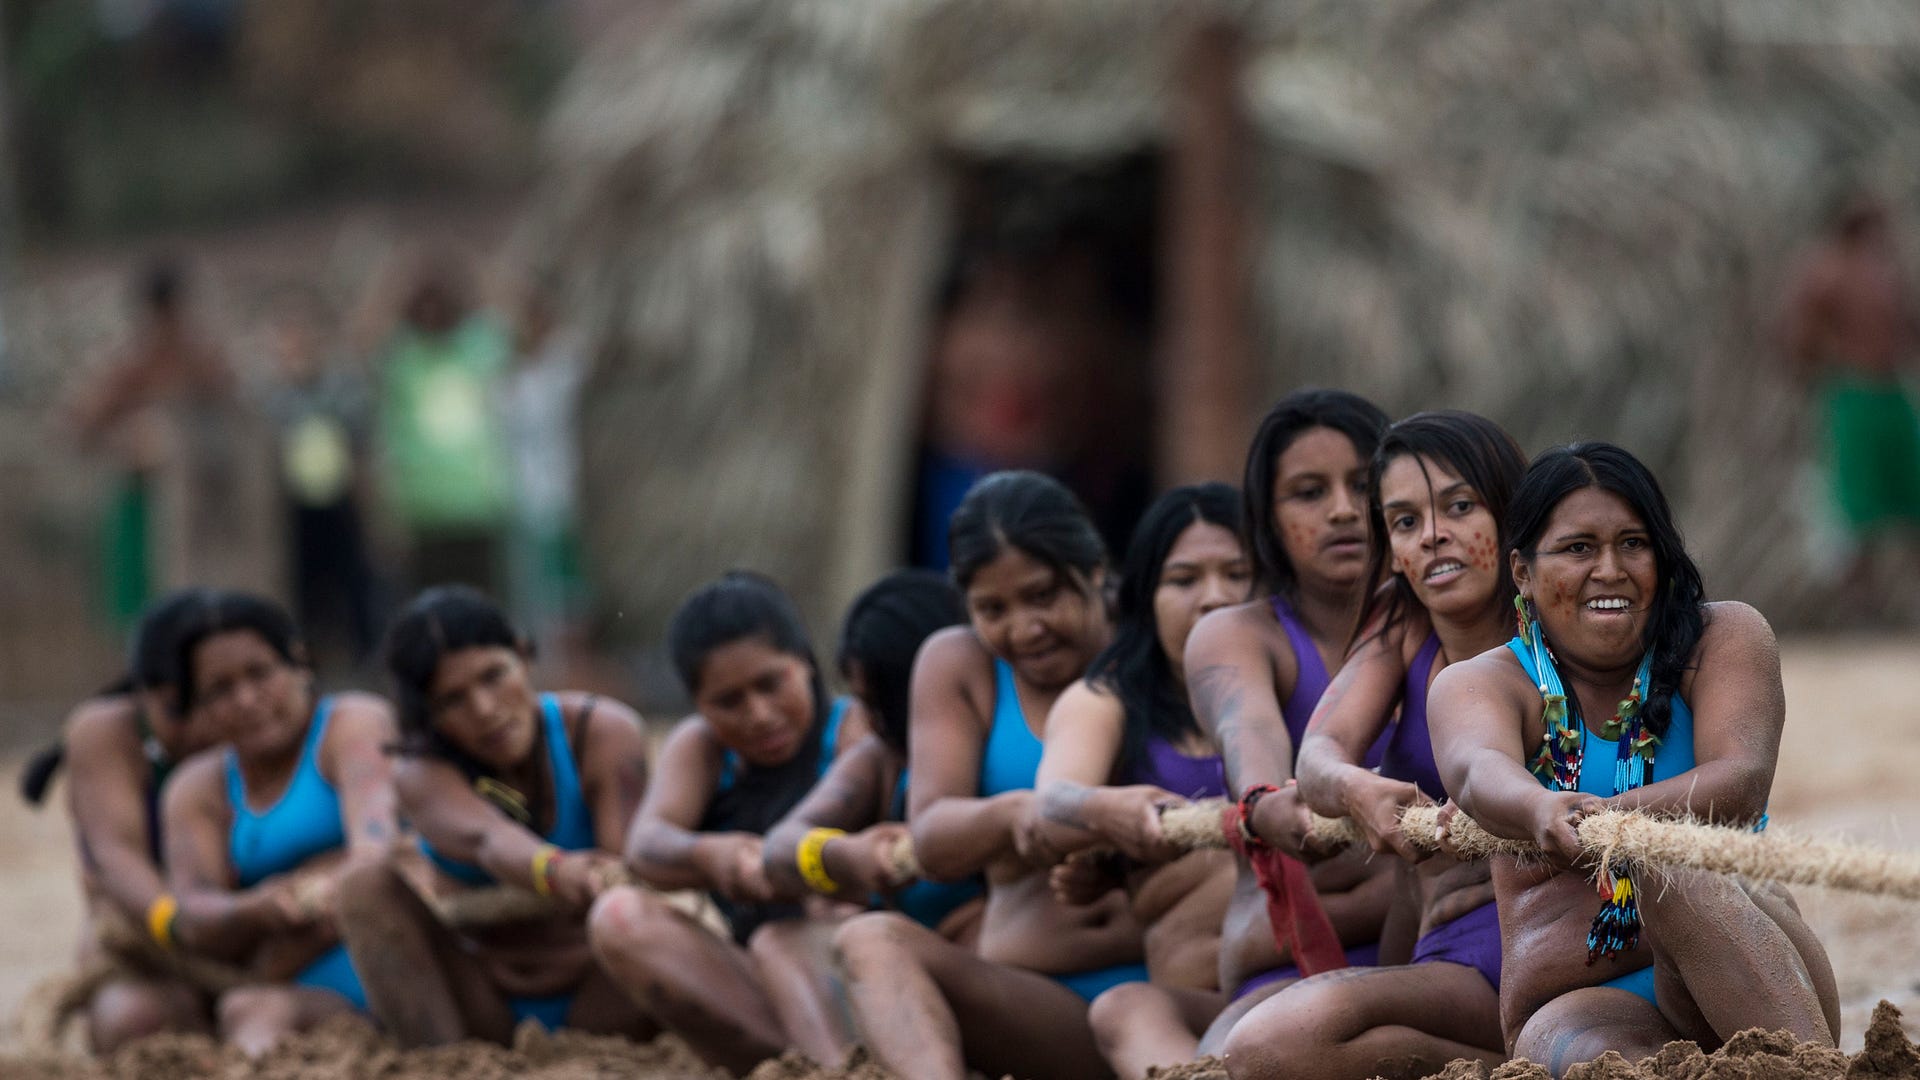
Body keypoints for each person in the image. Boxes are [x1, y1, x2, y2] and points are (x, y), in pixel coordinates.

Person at [1428, 442, 1839, 1076]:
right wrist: (1538, 809)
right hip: (1578, 1001)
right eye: (1578, 548)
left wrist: (1608, 819)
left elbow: (1742, 780)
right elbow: (1476, 770)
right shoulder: (1481, 683)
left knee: (1666, 861)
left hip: (1760, 984)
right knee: (1600, 1061)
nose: (1610, 569)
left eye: (1633, 543)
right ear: (1522, 572)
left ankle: (1817, 1072)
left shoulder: (1725, 637)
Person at [1223, 410, 1528, 1079]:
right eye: (1406, 521)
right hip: (1439, 947)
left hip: (1544, 947)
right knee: (1254, 1048)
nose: (1435, 536)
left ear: (1512, 515)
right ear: (1390, 547)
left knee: (1268, 1043)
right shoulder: (1403, 619)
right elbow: (1320, 751)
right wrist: (1354, 787)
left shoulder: (1557, 623)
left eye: (1459, 506)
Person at [1109, 390, 1392, 1076]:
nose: (1343, 509)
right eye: (1308, 491)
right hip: (1282, 958)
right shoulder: (1234, 634)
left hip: (1426, 951)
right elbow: (1249, 739)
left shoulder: (1437, 627)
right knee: (1236, 1058)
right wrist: (1268, 800)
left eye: (1363, 485)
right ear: (1265, 519)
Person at [835, 470, 1142, 1080]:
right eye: (993, 608)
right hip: (1036, 1006)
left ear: (1096, 570)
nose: (1025, 627)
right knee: (870, 941)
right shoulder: (960, 664)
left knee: (1139, 1015)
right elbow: (932, 836)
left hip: (1166, 996)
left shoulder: (1153, 645)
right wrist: (1021, 813)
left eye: (1044, 595)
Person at [334, 586, 654, 1047]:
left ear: (524, 657)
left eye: (493, 676)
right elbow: (486, 837)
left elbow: (627, 878)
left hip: (603, 988)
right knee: (362, 885)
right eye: (452, 700)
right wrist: (555, 870)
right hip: (486, 1002)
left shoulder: (602, 732)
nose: (484, 710)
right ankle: (440, 1067)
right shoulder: (420, 774)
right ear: (430, 716)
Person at [588, 571, 869, 1074]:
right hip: (762, 991)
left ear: (804, 661)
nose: (758, 715)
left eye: (769, 684)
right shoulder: (704, 751)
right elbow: (646, 846)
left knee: (783, 940)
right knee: (619, 918)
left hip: (862, 979)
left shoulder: (852, 731)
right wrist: (715, 857)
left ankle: (840, 1067)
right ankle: (802, 1064)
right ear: (698, 705)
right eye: (728, 702)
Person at [1020, 483, 1252, 1080]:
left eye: (1237, 572)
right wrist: (1105, 812)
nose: (1212, 598)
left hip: (1317, 977)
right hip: (1195, 998)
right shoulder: (1108, 698)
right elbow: (1053, 799)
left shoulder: (1310, 683)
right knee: (1122, 1008)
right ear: (1144, 598)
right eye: (1183, 580)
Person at [755, 569, 981, 1064]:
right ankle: (844, 1069)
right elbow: (778, 849)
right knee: (780, 942)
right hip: (904, 978)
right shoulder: (883, 758)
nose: (867, 720)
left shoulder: (1002, 749)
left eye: (878, 704)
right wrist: (839, 855)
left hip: (1001, 979)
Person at [159, 591, 398, 1055]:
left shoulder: (352, 725)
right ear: (201, 708)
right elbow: (192, 911)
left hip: (393, 972)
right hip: (303, 996)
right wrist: (260, 908)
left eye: (260, 673)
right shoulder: (195, 788)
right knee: (250, 1010)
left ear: (299, 664)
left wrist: (285, 934)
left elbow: (376, 855)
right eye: (220, 690)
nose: (246, 700)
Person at [22, 590, 221, 1051]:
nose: (198, 727)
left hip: (254, 936)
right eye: (177, 709)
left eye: (210, 701)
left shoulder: (252, 725)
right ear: (145, 693)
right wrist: (175, 922)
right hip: (141, 937)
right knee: (133, 1019)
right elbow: (115, 857)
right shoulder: (104, 732)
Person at [67, 260, 234, 629]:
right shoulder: (130, 364)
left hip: (199, 508)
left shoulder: (203, 361)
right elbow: (80, 425)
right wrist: (128, 443)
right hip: (140, 503)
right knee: (144, 616)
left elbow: (233, 420)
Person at [1781, 194, 1920, 600]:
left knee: (1910, 496)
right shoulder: (1826, 271)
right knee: (1857, 504)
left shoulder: (1886, 272)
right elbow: (1797, 336)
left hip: (1891, 392)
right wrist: (1819, 373)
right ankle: (1861, 606)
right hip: (1853, 394)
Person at [369, 253, 513, 594]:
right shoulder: (401, 357)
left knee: (482, 599)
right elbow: (365, 331)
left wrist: (466, 274)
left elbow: (510, 316)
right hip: (423, 506)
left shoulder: (478, 346)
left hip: (476, 500)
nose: (432, 315)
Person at [256, 286, 380, 662]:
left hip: (340, 507)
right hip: (296, 512)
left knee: (356, 592)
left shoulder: (343, 390)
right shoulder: (271, 397)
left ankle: (365, 660)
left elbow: (361, 450)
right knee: (306, 597)